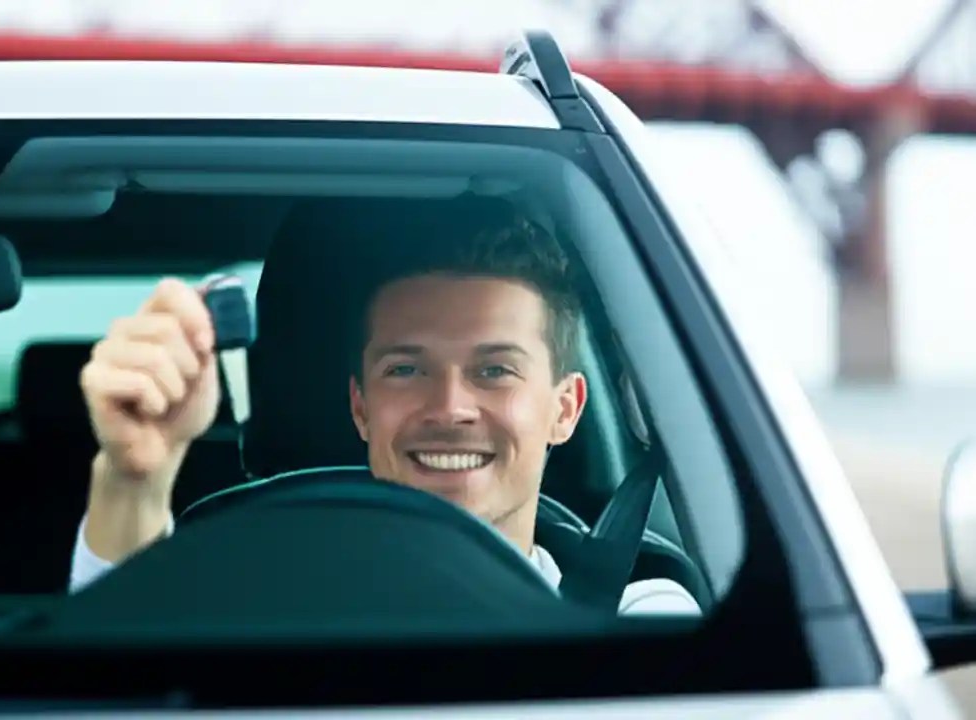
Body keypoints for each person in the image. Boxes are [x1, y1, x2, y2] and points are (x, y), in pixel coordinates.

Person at [70, 206, 700, 615]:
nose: (451, 406)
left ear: (565, 409)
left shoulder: (639, 615)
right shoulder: (246, 610)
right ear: (360, 407)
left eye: (493, 370)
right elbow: (111, 691)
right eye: (407, 369)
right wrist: (133, 482)